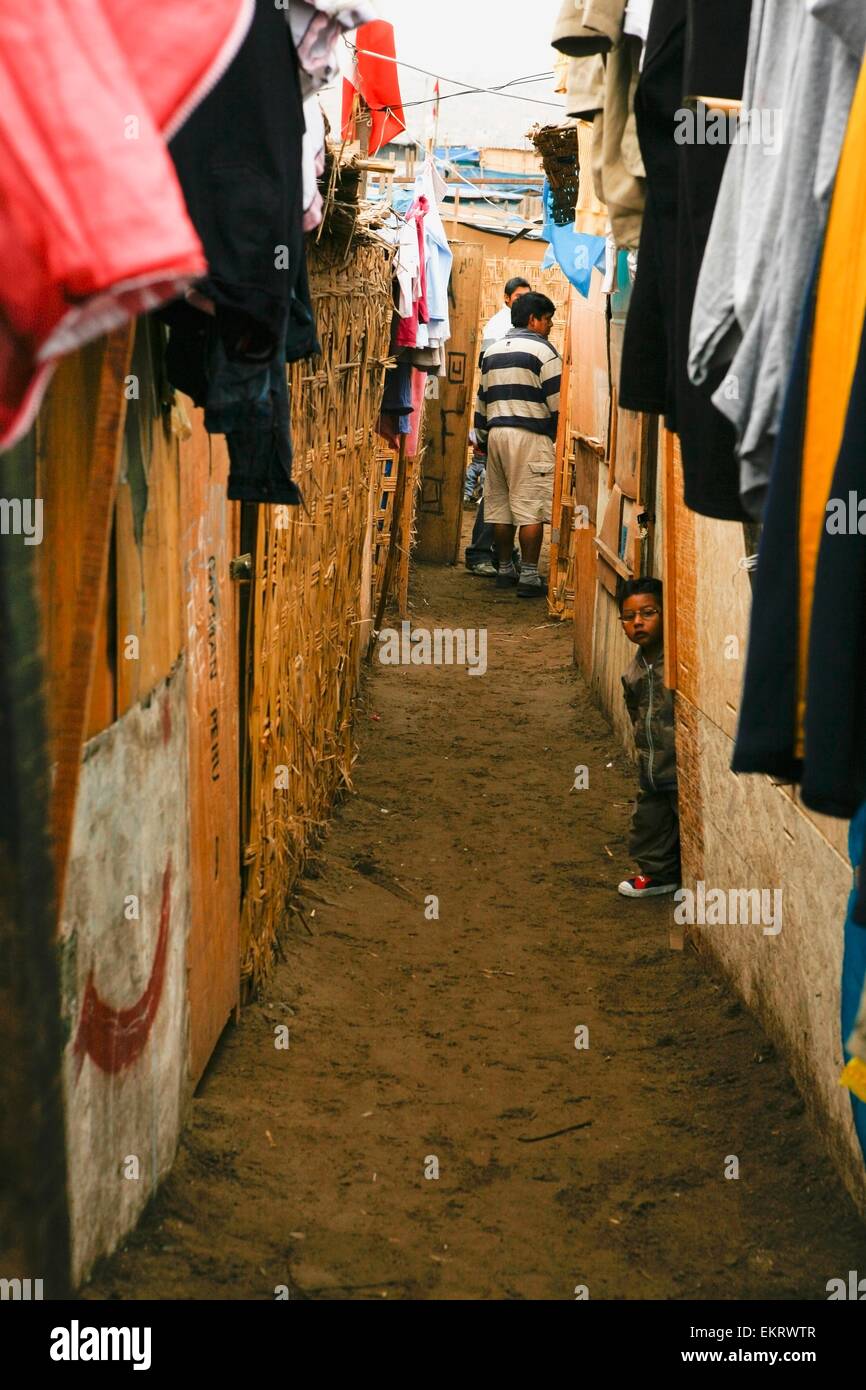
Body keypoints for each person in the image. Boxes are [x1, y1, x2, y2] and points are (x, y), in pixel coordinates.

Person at [473, 291, 560, 598]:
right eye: (547, 319)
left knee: (501, 506)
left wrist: (482, 438)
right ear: (533, 319)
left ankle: (505, 570)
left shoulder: (493, 352)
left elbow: (481, 401)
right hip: (529, 435)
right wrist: (554, 436)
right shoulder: (545, 353)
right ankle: (530, 576)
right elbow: (557, 403)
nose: (549, 326)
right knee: (530, 508)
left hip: (496, 434)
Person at [617, 579, 681, 898]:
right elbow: (635, 715)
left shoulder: (678, 660)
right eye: (629, 617)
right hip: (653, 767)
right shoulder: (634, 671)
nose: (638, 622)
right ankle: (659, 875)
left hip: (680, 769)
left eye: (648, 613)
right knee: (648, 826)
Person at [465, 276, 532, 576]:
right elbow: (488, 379)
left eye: (526, 297)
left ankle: (499, 553)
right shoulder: (497, 328)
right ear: (506, 298)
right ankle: (480, 552)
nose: (521, 301)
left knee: (505, 493)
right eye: (517, 297)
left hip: (508, 420)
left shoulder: (523, 328)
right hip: (500, 419)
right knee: (497, 493)